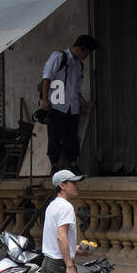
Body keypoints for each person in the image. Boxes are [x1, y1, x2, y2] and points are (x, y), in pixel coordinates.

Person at [38, 34, 98, 172]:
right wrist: (45, 100)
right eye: (87, 53)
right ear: (79, 48)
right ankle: (55, 166)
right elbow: (47, 77)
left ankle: (73, 165)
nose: (87, 56)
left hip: (72, 106)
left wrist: (83, 103)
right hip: (57, 104)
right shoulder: (59, 57)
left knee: (72, 137)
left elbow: (75, 88)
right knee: (55, 136)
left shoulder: (78, 65)